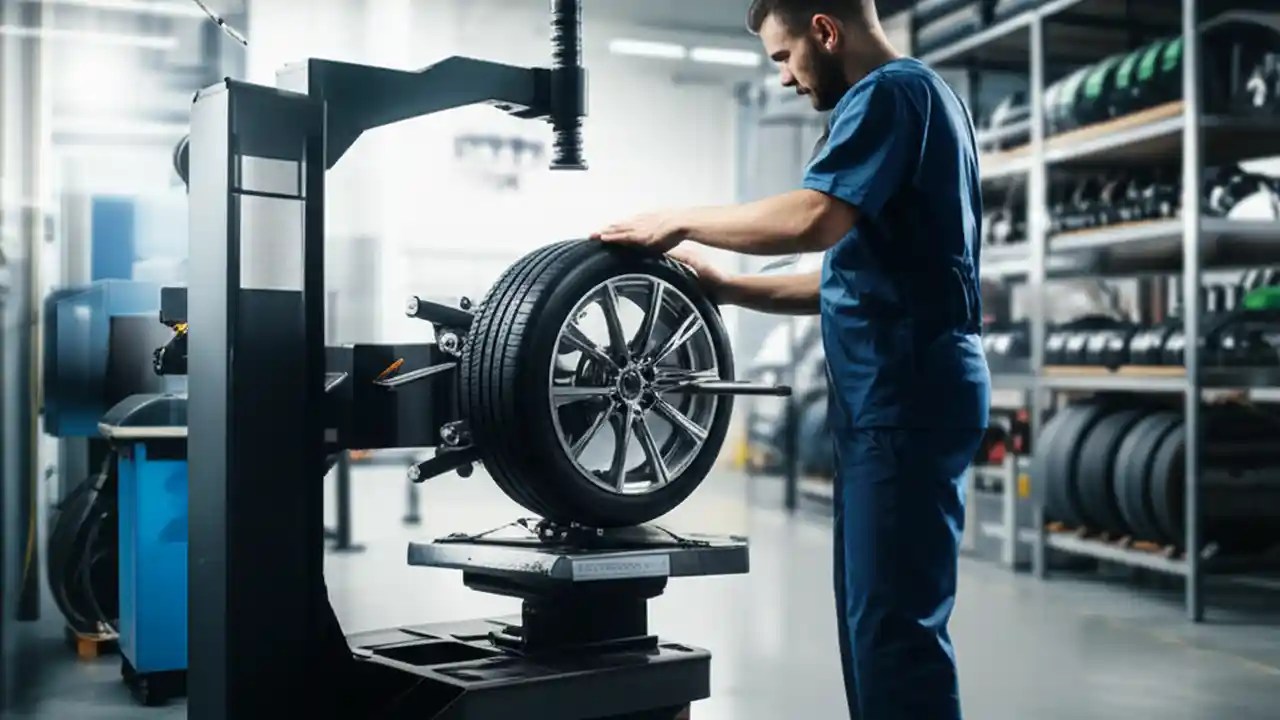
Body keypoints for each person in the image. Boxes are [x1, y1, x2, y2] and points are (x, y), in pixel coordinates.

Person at [591, 1, 991, 718]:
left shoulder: (890, 94)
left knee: (894, 633)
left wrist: (679, 217)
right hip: (900, 395)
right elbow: (845, 280)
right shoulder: (930, 98)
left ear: (825, 30)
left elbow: (815, 219)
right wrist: (728, 288)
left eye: (783, 56)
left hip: (905, 397)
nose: (782, 79)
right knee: (876, 622)